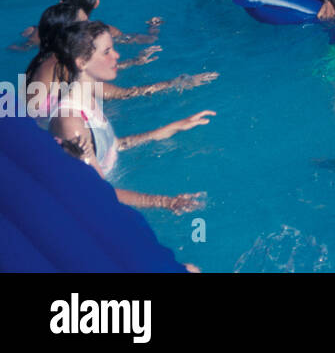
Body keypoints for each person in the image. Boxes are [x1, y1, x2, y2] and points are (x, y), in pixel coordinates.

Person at [44, 21, 213, 214]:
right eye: (107, 51)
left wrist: (169, 129)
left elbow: (113, 145)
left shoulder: (90, 96)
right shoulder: (71, 123)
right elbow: (97, 192)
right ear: (81, 62)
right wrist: (166, 202)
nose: (116, 55)